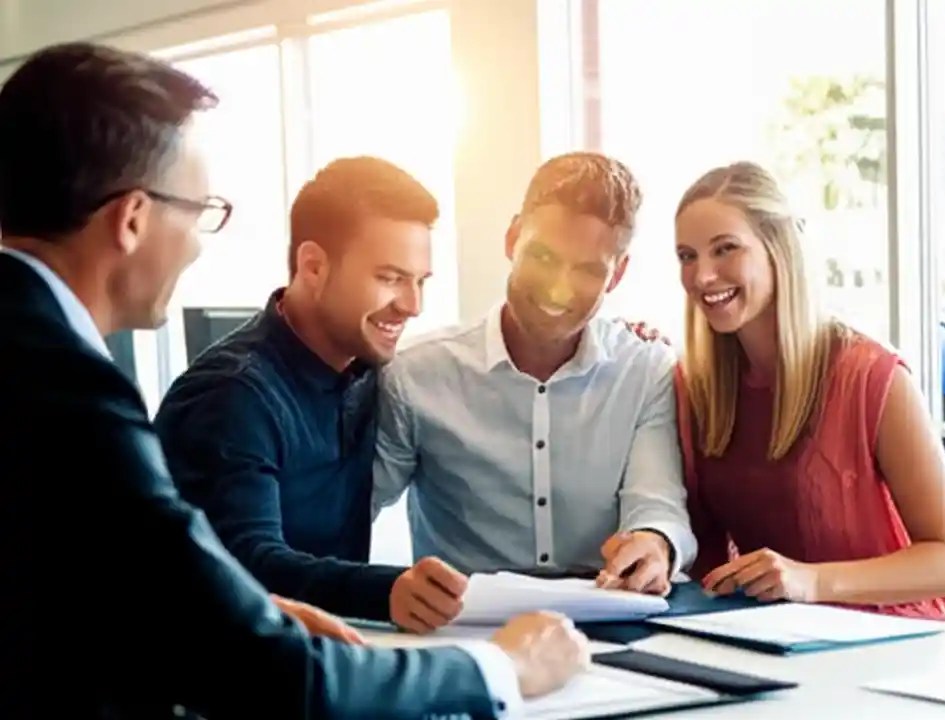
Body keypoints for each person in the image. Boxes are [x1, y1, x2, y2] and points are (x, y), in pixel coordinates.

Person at [0, 41, 586, 718]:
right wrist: (502, 666)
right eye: (200, 211)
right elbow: (277, 674)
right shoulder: (71, 390)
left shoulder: (36, 355)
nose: (197, 241)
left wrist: (240, 614)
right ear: (132, 219)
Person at [152, 155, 476, 633]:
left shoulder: (372, 370)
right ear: (313, 266)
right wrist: (387, 591)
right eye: (389, 278)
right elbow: (246, 563)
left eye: (419, 281)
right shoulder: (231, 394)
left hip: (328, 660)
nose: (412, 306)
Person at [373, 152, 695, 608]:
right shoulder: (416, 374)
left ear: (617, 274)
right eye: (543, 257)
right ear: (512, 238)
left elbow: (657, 501)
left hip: (609, 620)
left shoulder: (645, 369)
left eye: (588, 270)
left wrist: (654, 543)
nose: (558, 288)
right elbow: (347, 510)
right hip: (465, 629)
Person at [671, 161, 945, 619]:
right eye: (687, 256)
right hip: (771, 635)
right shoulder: (696, 386)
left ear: (779, 249)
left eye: (725, 249)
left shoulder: (873, 378)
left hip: (891, 636)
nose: (702, 276)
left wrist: (810, 581)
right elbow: (700, 551)